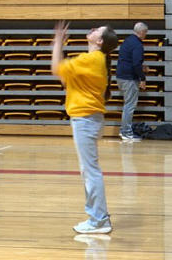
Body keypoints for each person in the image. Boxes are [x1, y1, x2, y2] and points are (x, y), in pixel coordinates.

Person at [51, 21, 118, 234]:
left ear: (99, 41)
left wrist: (57, 43)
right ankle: (97, 217)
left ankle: (99, 220)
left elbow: (55, 69)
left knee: (91, 172)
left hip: (85, 120)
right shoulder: (93, 60)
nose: (93, 29)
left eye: (98, 30)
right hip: (88, 119)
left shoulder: (91, 59)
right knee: (88, 171)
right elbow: (64, 79)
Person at [116, 22, 148, 141]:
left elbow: (129, 60)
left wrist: (141, 66)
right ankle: (126, 133)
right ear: (141, 32)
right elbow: (135, 64)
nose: (145, 35)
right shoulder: (137, 45)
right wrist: (143, 78)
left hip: (121, 76)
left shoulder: (128, 40)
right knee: (129, 106)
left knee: (127, 104)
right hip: (129, 78)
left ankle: (124, 130)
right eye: (145, 33)